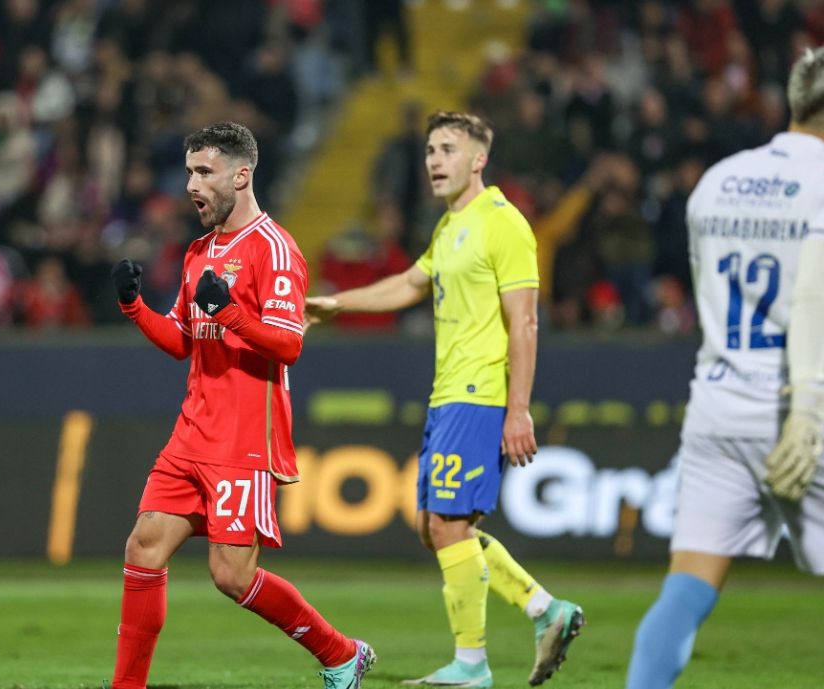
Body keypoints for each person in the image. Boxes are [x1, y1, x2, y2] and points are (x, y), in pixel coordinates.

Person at [305, 111, 583, 689]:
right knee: (436, 525)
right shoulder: (451, 225)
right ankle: (544, 611)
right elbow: (410, 283)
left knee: (449, 524)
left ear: (478, 159)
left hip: (480, 393)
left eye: (448, 149)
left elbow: (525, 320)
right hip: (448, 394)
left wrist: (519, 408)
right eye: (430, 149)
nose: (434, 160)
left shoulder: (503, 223)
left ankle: (472, 665)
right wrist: (339, 303)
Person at [108, 122, 375, 689]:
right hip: (191, 432)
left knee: (231, 577)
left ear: (241, 174)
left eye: (203, 172)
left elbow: (289, 343)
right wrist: (135, 308)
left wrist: (229, 312)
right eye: (188, 172)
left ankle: (340, 654)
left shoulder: (275, 248)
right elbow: (183, 338)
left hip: (244, 437)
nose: (191, 185)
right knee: (143, 547)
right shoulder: (199, 251)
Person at [625, 47, 824, 689]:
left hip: (717, 404)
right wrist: (807, 410)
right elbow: (813, 300)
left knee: (686, 592)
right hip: (805, 411)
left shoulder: (717, 180)